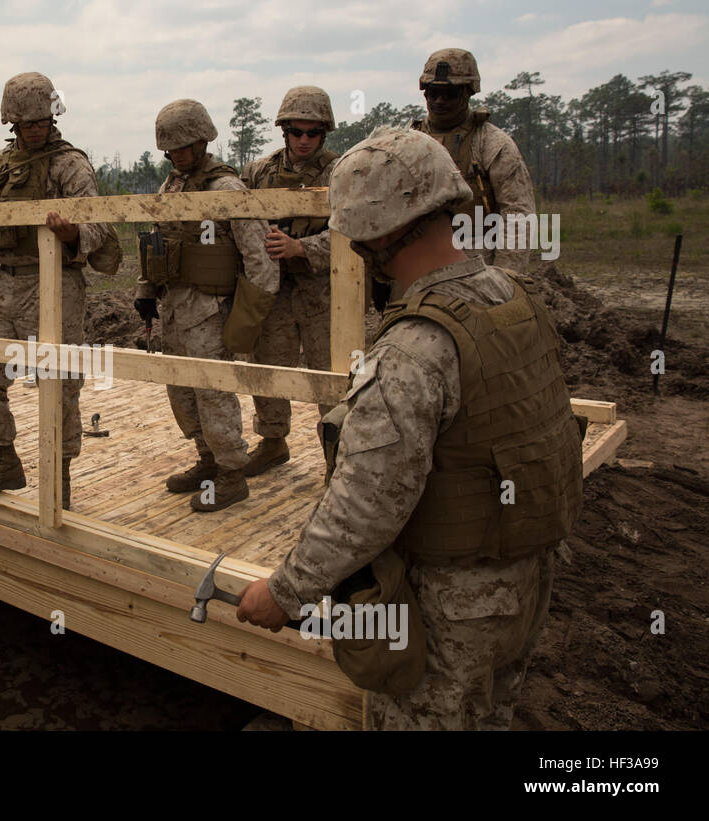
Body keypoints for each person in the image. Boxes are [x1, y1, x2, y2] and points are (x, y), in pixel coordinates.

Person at [235, 128, 583, 730]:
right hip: (527, 581)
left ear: (377, 232)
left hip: (451, 604)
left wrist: (287, 591)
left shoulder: (414, 348)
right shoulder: (514, 298)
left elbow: (367, 501)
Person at [0, 72, 117, 508]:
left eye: (41, 120)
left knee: (59, 380)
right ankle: (4, 459)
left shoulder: (71, 164)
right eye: (26, 121)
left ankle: (59, 478)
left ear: (53, 116)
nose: (35, 128)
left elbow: (99, 224)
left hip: (54, 282)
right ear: (11, 121)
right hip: (2, 279)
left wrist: (71, 234)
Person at [134, 99, 279, 512]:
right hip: (176, 306)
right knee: (181, 388)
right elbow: (158, 245)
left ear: (202, 141)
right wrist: (146, 291)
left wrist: (248, 316)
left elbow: (259, 257)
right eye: (171, 150)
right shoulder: (169, 188)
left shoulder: (227, 189)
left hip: (213, 307)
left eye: (184, 147)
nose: (177, 155)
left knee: (213, 391)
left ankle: (231, 473)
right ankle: (207, 459)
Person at [240, 86, 339, 476]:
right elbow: (240, 220)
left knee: (330, 374)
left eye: (311, 133)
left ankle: (338, 453)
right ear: (283, 130)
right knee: (268, 366)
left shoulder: (342, 171)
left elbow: (355, 231)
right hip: (274, 289)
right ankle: (272, 441)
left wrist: (304, 247)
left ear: (323, 133)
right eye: (295, 132)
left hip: (324, 290)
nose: (303, 140)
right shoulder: (259, 172)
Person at [412, 48, 536, 275]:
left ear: (468, 93)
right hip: (417, 259)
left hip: (476, 261)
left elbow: (518, 215)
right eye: (433, 93)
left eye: (449, 94)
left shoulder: (492, 143)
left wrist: (506, 276)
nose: (439, 101)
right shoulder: (407, 143)